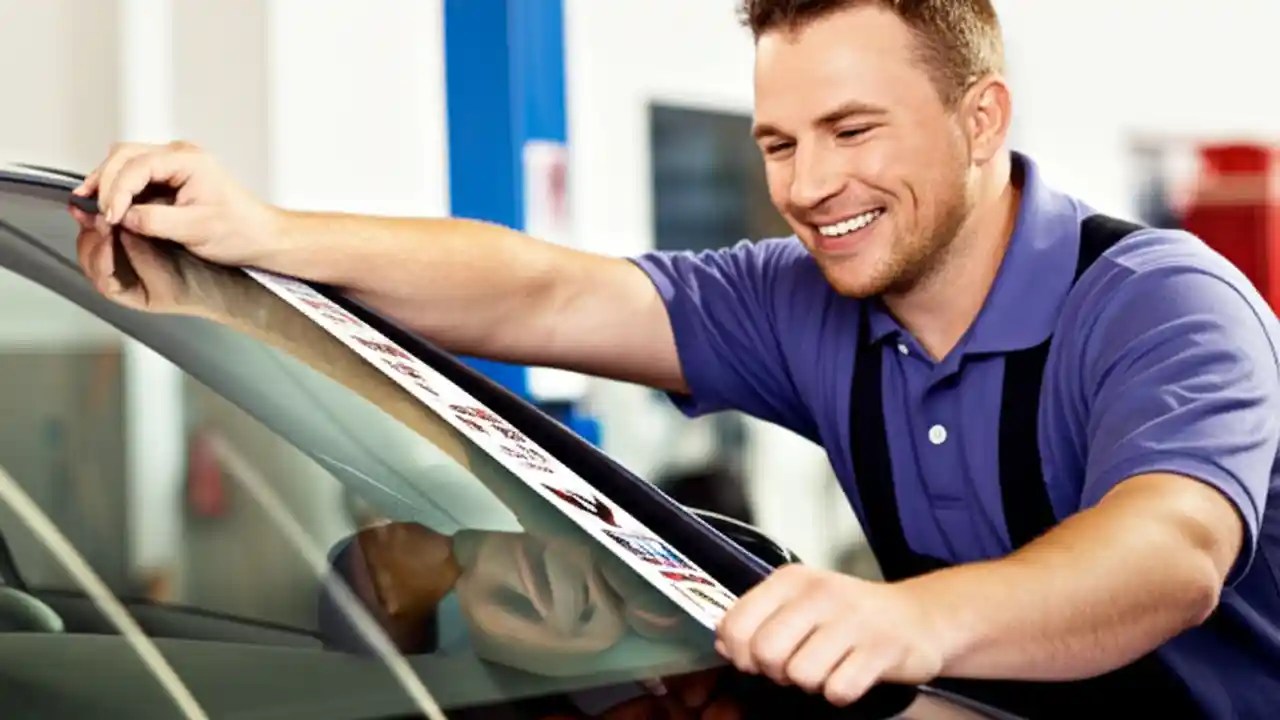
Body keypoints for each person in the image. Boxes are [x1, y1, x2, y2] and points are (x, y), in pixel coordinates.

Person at [75, 0, 1279, 716]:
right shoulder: (800, 301)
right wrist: (269, 233)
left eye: (852, 131)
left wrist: (908, 623)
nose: (807, 186)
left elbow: (1166, 552)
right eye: (778, 141)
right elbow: (546, 288)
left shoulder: (1155, 301)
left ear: (979, 121)